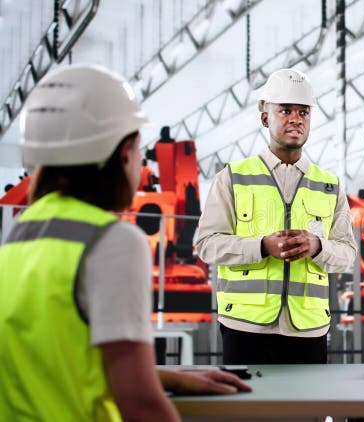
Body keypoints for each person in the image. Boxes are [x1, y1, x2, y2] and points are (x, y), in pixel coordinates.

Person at [0, 65, 250, 421]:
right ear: (123, 153)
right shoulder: (111, 241)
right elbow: (141, 405)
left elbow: (55, 363)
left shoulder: (19, 235)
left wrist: (164, 375)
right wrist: (149, 382)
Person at [196, 68, 357, 364]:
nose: (296, 118)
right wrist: (261, 246)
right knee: (249, 412)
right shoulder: (232, 178)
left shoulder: (330, 186)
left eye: (303, 112)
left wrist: (317, 246)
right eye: (285, 110)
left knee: (307, 413)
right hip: (245, 328)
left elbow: (347, 254)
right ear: (265, 117)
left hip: (308, 330)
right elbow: (206, 244)